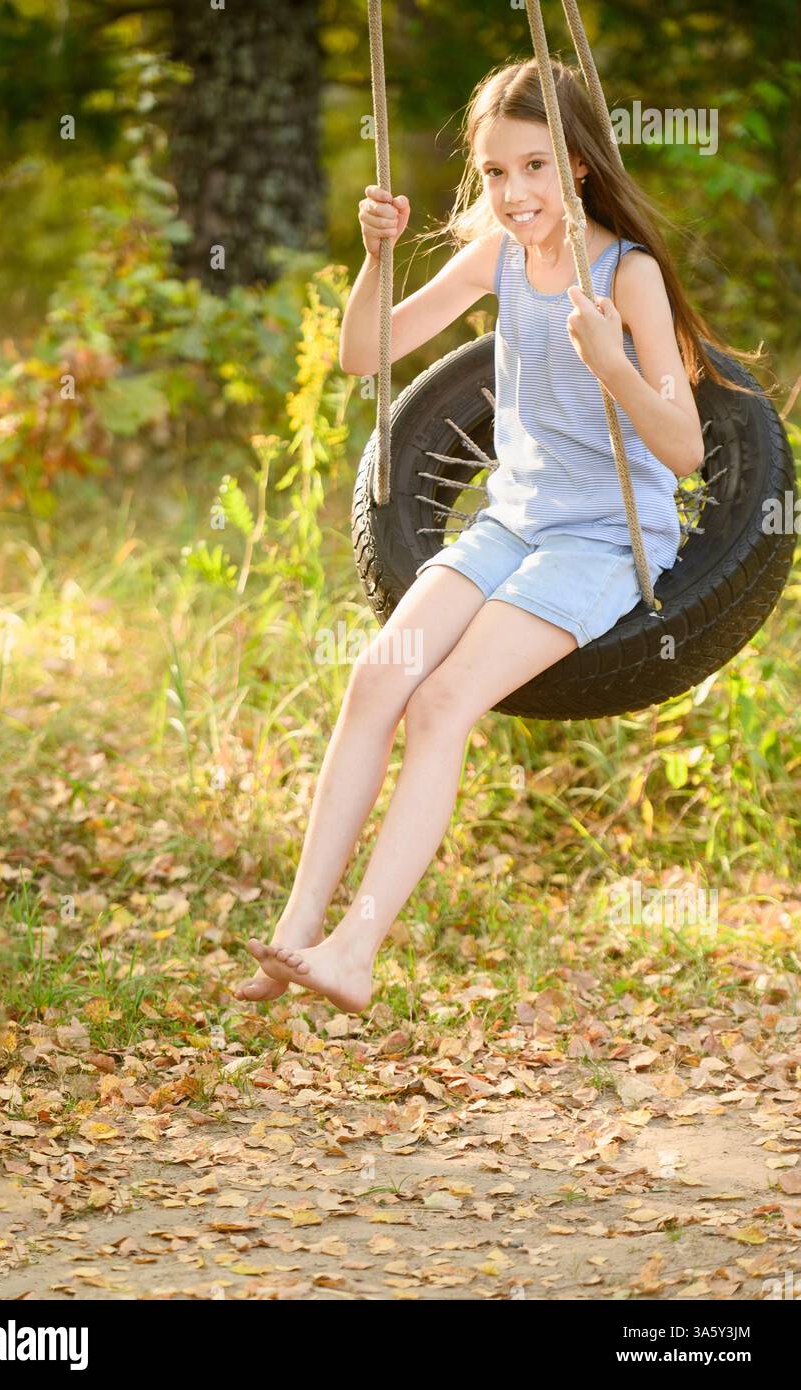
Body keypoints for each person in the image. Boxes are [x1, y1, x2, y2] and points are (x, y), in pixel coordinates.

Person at [234, 57, 763, 1014]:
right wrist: (377, 257)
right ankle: (295, 933)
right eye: (494, 173)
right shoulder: (497, 256)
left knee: (441, 707)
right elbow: (365, 353)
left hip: (604, 538)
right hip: (511, 519)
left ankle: (356, 950)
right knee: (377, 678)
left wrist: (613, 362)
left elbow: (684, 449)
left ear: (581, 165)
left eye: (534, 168)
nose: (514, 194)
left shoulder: (626, 273)